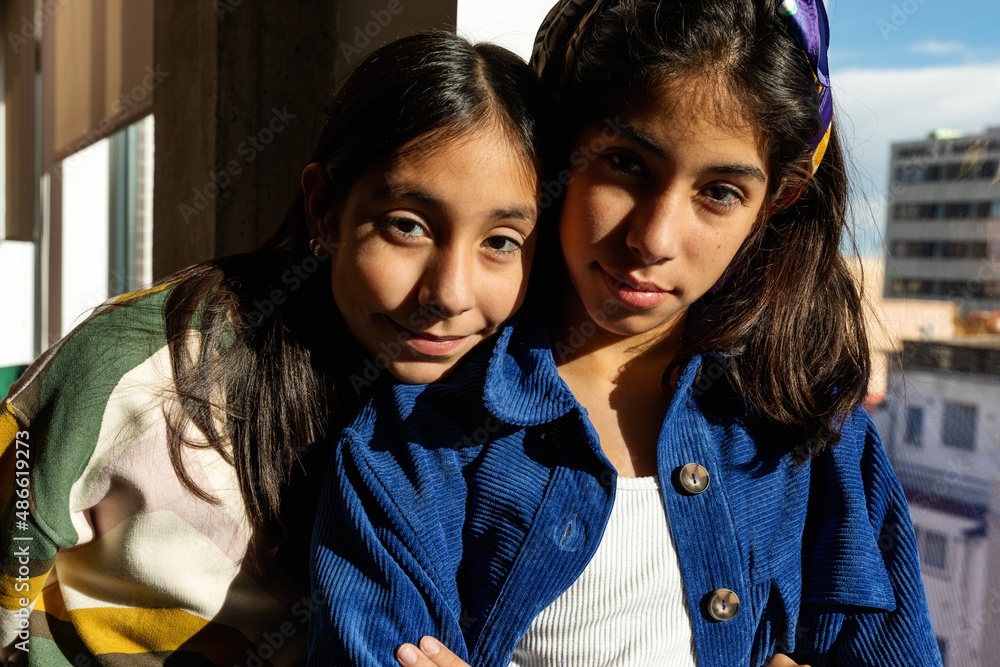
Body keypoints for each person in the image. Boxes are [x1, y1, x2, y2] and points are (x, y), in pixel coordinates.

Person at [308, 1, 943, 666]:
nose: (653, 239)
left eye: (720, 192)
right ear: (560, 147)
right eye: (626, 163)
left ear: (774, 203)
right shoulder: (417, 440)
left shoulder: (811, 430)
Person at [0, 31, 554, 666]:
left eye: (502, 241)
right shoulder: (137, 366)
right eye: (408, 225)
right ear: (324, 210)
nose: (451, 293)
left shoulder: (515, 418)